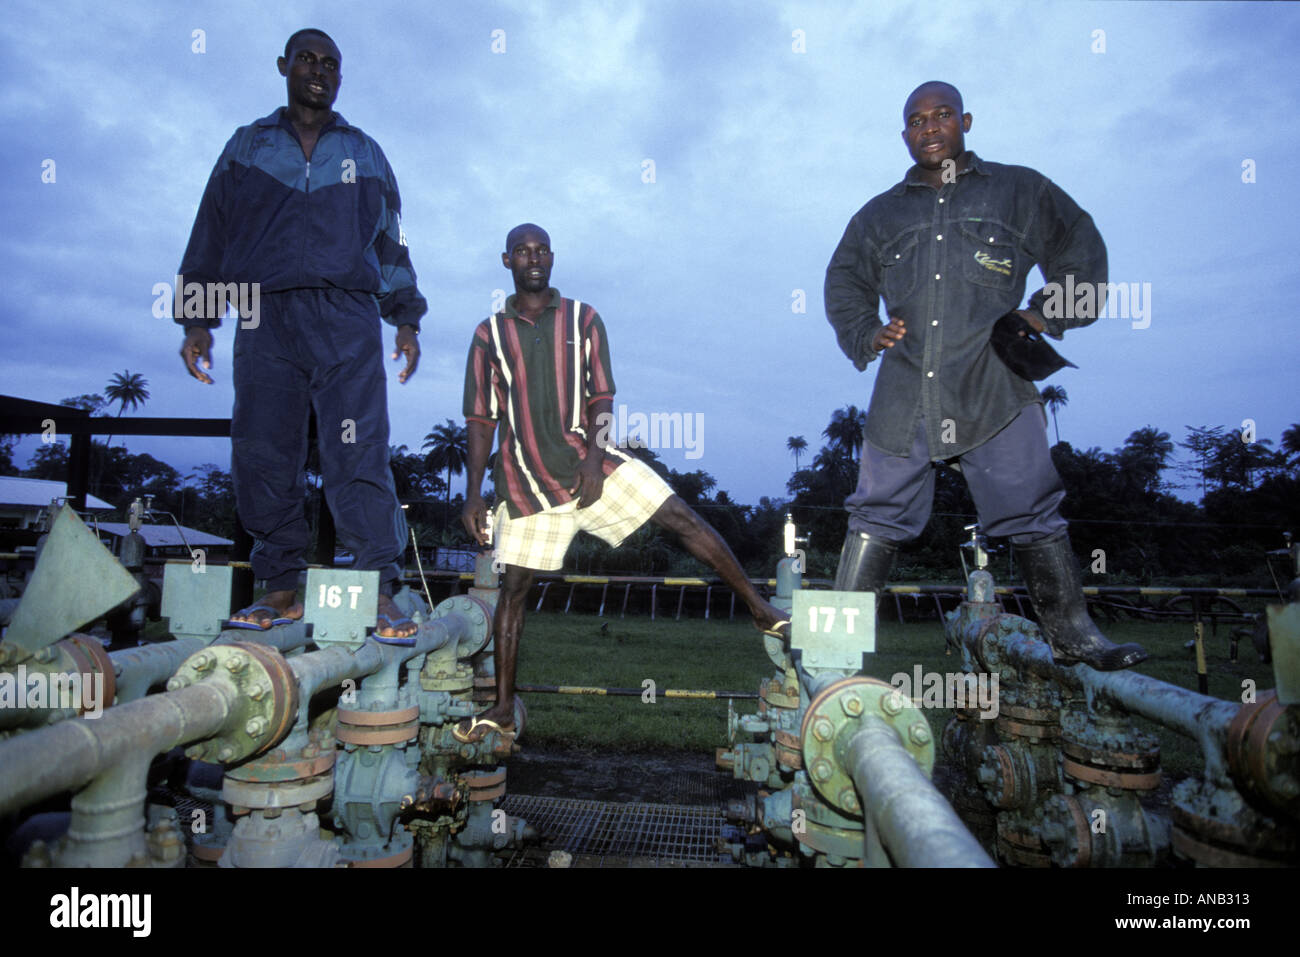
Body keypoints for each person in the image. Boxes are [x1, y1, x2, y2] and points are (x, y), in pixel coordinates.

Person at [823, 81, 1145, 671]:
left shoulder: (1019, 191)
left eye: (941, 115)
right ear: (904, 135)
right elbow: (844, 282)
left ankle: (1075, 636)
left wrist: (1046, 311)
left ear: (965, 121)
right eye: (916, 120)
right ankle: (838, 657)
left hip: (994, 382)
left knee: (1032, 506)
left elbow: (1081, 246)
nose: (929, 127)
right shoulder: (878, 214)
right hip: (904, 390)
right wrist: (867, 333)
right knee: (874, 512)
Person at [457, 223, 790, 741]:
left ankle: (758, 607)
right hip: (525, 481)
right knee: (514, 592)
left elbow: (601, 398)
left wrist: (593, 460)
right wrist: (473, 491)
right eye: (522, 251)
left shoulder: (584, 318)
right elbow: (480, 419)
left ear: (553, 257)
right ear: (507, 262)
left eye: (541, 249)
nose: (533, 258)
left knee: (679, 515)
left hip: (588, 464)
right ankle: (503, 705)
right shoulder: (489, 334)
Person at [176, 28, 422, 641]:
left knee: (358, 447)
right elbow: (211, 230)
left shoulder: (363, 152)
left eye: (330, 63)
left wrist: (407, 317)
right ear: (284, 66)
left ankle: (378, 586)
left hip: (348, 316)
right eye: (307, 59)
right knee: (263, 448)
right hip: (262, 314)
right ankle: (279, 586)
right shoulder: (248, 147)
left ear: (341, 77)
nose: (319, 70)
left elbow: (392, 239)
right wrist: (197, 318)